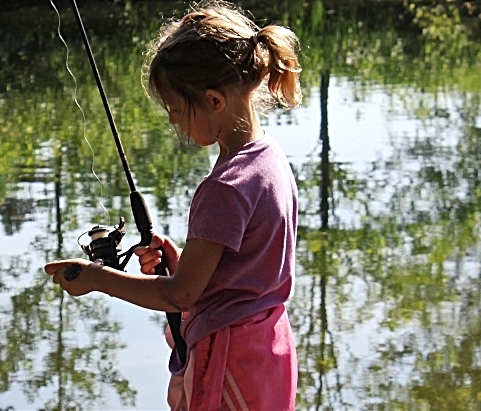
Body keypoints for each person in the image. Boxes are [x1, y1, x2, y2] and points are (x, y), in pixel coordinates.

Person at [44, 0, 302, 409]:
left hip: (228, 361)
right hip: (267, 351)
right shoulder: (271, 161)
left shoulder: (224, 188)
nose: (172, 121)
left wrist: (98, 279)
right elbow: (246, 277)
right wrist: (182, 261)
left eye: (176, 109)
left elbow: (180, 297)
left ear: (214, 101)